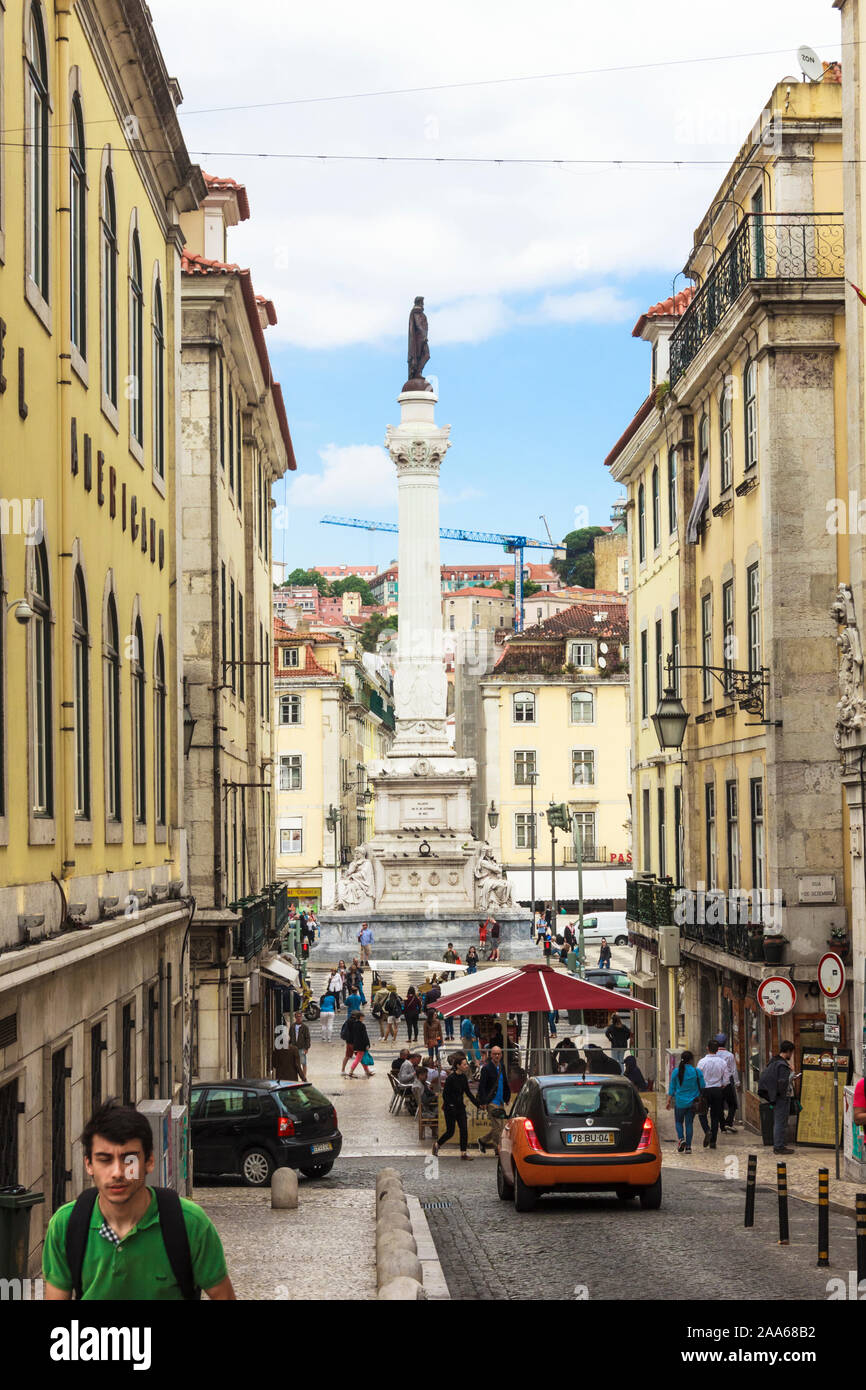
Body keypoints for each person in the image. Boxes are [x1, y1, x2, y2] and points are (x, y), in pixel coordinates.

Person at [43, 1100, 235, 1301]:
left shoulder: (190, 1224)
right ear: (89, 1165)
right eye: (105, 1160)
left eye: (129, 1160)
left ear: (149, 1161)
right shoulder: (66, 1225)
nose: (117, 1172)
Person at [432, 1056, 484, 1160]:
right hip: (450, 1108)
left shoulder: (464, 1078)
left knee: (464, 1129)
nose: (466, 1066)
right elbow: (445, 1095)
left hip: (460, 1108)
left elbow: (468, 1093)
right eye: (464, 1064)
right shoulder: (451, 1078)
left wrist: (478, 1104)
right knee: (450, 1132)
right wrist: (451, 1105)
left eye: (466, 1064)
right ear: (458, 1066)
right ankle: (437, 1144)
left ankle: (463, 1153)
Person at [757, 1040, 796, 1154]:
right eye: (791, 1053)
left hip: (775, 1096)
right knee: (780, 1122)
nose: (791, 1055)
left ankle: (779, 1144)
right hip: (781, 1097)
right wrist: (792, 1073)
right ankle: (779, 1146)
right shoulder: (783, 1065)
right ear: (788, 1051)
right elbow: (783, 1083)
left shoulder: (774, 1061)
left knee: (779, 1121)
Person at [666, 1051, 704, 1153]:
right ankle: (688, 1147)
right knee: (689, 1124)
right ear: (691, 1060)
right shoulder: (697, 1072)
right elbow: (703, 1086)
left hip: (680, 1103)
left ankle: (681, 1139)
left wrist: (668, 1101)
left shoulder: (676, 1072)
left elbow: (672, 1088)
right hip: (692, 1103)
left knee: (678, 1122)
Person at [476, 1044, 511, 1154]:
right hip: (491, 1102)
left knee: (499, 1126)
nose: (497, 1056)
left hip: (500, 1101)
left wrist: (507, 1097)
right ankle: (498, 1148)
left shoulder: (502, 1067)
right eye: (494, 1054)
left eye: (498, 1054)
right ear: (491, 1055)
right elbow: (482, 1086)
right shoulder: (486, 1069)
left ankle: (482, 1140)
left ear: (501, 1055)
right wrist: (484, 1102)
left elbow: (505, 1083)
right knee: (498, 1127)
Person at [696, 1039, 728, 1149]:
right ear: (717, 1050)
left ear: (707, 1048)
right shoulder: (722, 1062)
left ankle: (707, 1130)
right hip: (717, 1090)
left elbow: (698, 1077)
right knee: (715, 1116)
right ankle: (713, 1140)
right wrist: (722, 1085)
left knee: (702, 1113)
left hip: (705, 1090)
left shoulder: (701, 1062)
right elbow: (726, 1079)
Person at [714, 1032, 740, 1131]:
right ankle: (729, 1122)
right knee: (732, 1104)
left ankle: (722, 1125)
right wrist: (737, 1083)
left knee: (719, 1105)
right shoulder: (729, 1055)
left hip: (716, 1084)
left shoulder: (713, 1054)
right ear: (725, 1042)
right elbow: (733, 1071)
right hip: (727, 1083)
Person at [346, 1010, 374, 1078]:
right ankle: (351, 1071)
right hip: (362, 1045)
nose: (363, 1018)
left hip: (356, 1044)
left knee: (362, 1058)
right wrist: (367, 1044)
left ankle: (367, 1071)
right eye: (363, 1017)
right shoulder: (362, 1025)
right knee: (358, 1059)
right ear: (360, 1017)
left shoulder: (354, 1024)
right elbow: (365, 1036)